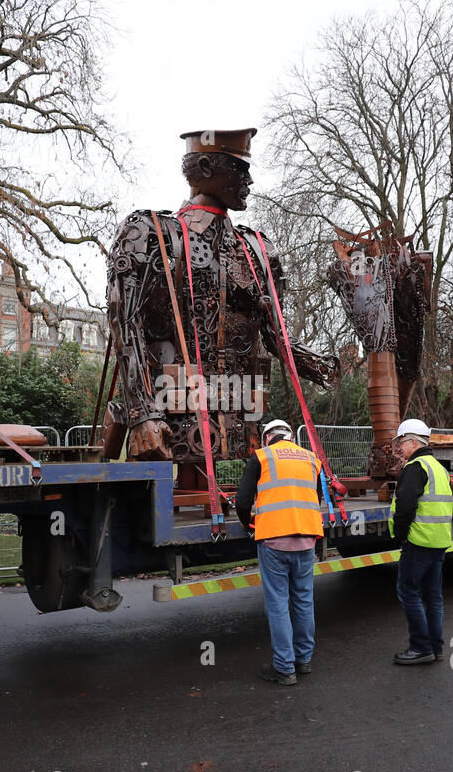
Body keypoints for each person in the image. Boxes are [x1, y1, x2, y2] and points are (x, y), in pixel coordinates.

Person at [105, 129, 336, 464]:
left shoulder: (256, 247)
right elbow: (124, 324)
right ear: (205, 166)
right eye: (240, 169)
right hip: (170, 411)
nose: (250, 180)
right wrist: (142, 412)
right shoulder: (150, 232)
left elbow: (277, 334)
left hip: (238, 414)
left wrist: (326, 366)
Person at [234, 418, 324, 685]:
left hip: (274, 541)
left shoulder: (261, 457)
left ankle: (284, 668)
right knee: (304, 601)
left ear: (267, 437)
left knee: (278, 605)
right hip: (307, 539)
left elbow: (242, 501)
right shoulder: (311, 459)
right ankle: (303, 660)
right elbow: (315, 497)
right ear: (289, 437)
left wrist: (247, 523)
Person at [388, 419, 453, 665]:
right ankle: (435, 647)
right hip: (438, 541)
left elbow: (405, 507)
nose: (400, 448)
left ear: (414, 442)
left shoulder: (415, 467)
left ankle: (421, 647)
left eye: (402, 443)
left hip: (418, 542)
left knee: (409, 592)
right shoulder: (438, 467)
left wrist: (400, 534)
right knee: (433, 597)